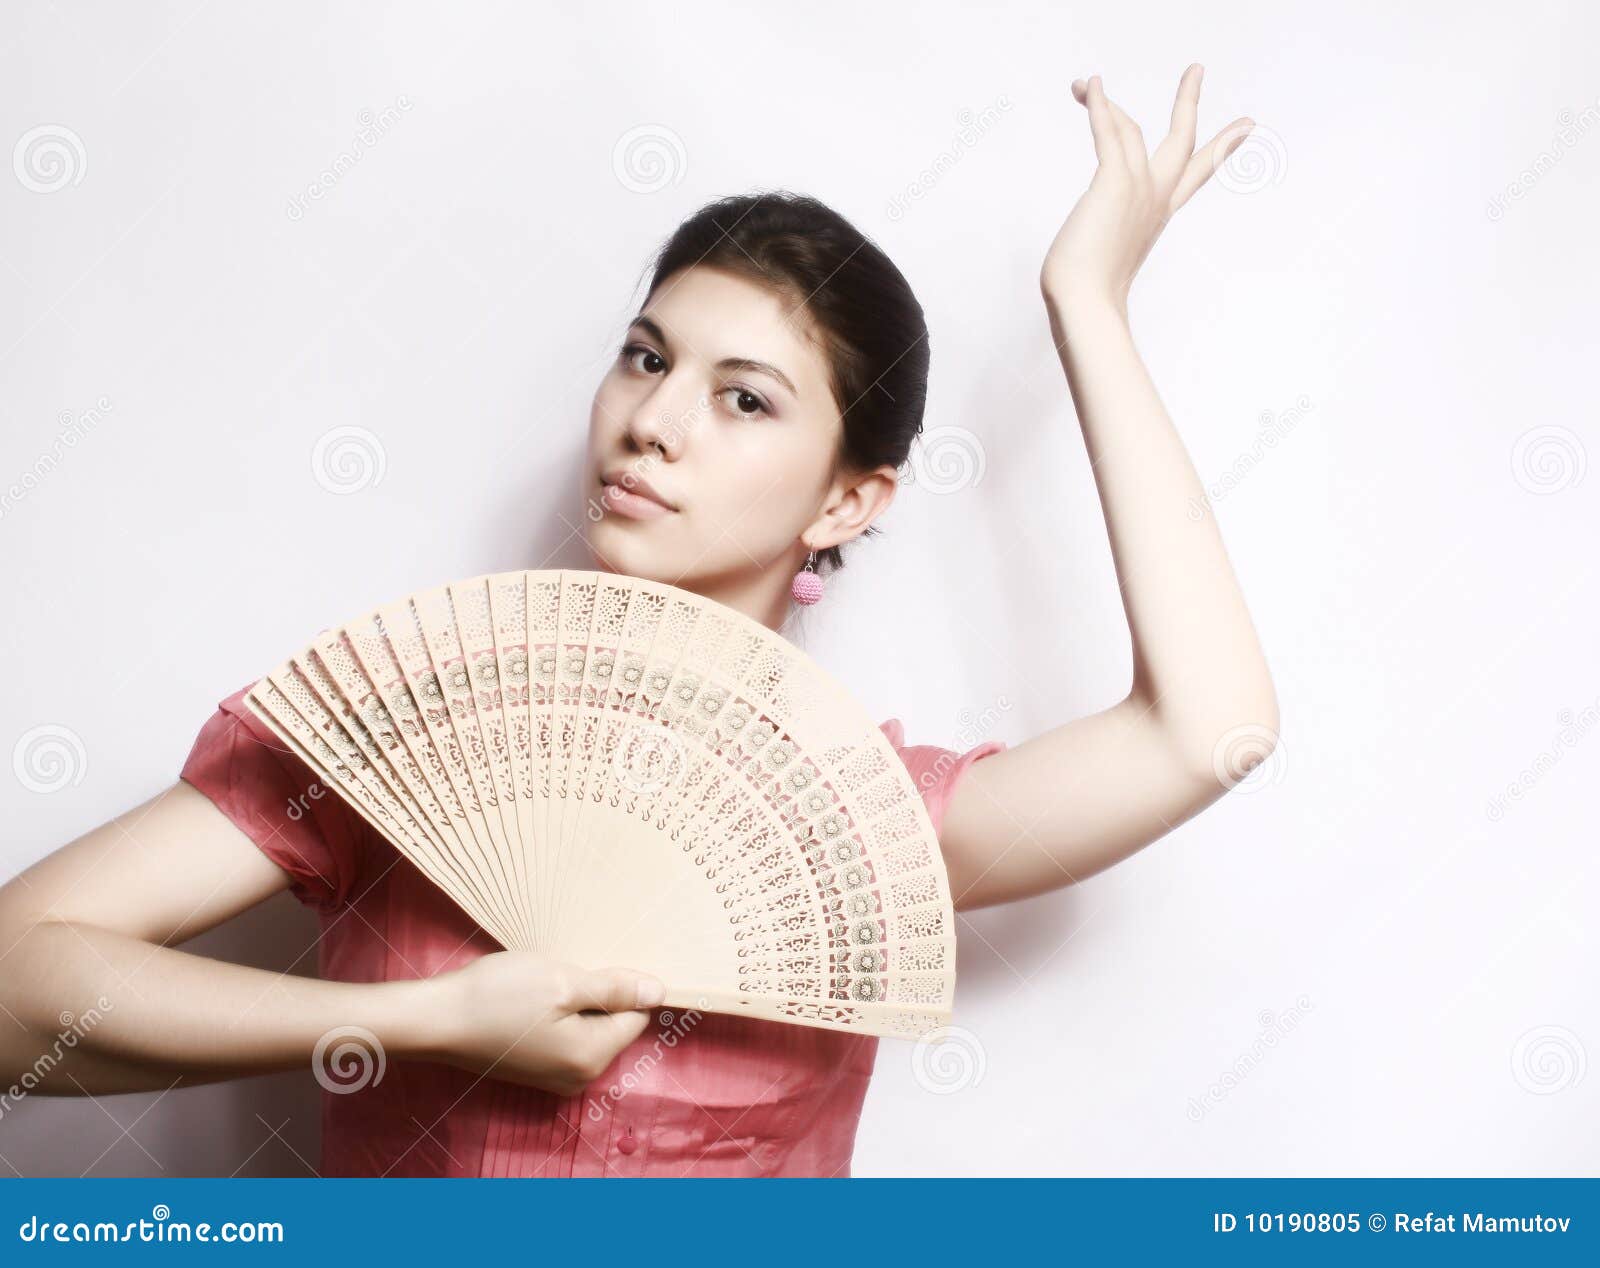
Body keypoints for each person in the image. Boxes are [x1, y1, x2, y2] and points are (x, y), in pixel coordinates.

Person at [0, 66, 1276, 1176]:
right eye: (649, 357)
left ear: (850, 496)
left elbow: (1205, 729)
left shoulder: (863, 829)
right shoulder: (401, 723)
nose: (654, 422)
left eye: (746, 400)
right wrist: (430, 1017)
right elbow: (18, 984)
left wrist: (1088, 302)